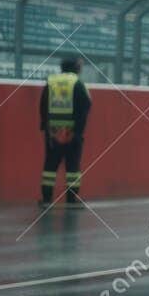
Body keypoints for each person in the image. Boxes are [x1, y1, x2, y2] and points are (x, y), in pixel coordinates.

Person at [39, 56, 91, 205]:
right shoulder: (77, 83)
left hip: (53, 132)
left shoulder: (51, 81)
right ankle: (71, 200)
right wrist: (78, 131)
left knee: (50, 166)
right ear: (76, 68)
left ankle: (47, 199)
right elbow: (85, 106)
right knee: (72, 167)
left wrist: (45, 126)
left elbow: (43, 104)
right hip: (72, 132)